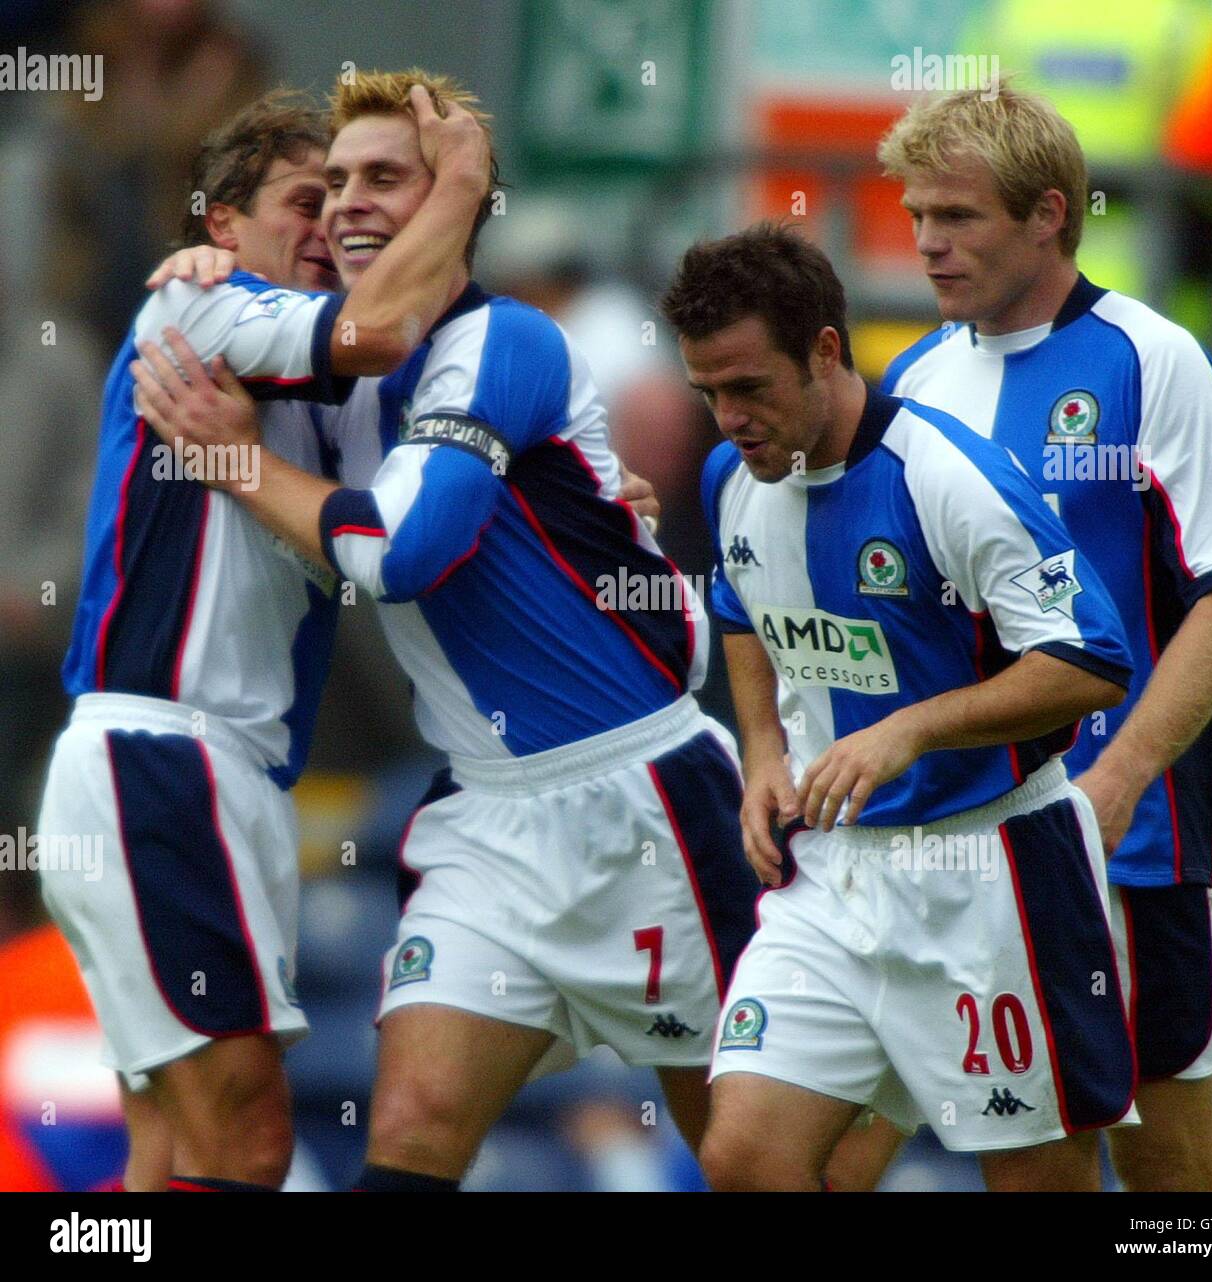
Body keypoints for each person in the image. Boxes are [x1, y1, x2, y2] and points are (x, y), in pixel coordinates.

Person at [132, 68, 758, 1193]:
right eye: (333, 183)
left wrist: (234, 460)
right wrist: (207, 265)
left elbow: (399, 552)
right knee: (411, 1133)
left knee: (752, 1160)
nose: (348, 203)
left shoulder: (505, 340)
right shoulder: (336, 365)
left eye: (386, 177)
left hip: (643, 800)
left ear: (457, 200)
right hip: (485, 818)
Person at [37, 86, 492, 1192]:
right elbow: (381, 328)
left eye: (344, 195)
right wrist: (464, 182)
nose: (330, 218)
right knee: (246, 1143)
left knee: (171, 1147)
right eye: (305, 197)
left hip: (213, 775)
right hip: (164, 757)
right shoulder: (200, 308)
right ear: (222, 223)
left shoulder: (320, 392)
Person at [662, 222, 1137, 1192]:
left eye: (749, 387)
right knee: (745, 1158)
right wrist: (763, 751)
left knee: (1040, 1182)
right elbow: (738, 606)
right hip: (831, 877)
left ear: (824, 350)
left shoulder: (947, 477)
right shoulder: (731, 479)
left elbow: (1092, 662)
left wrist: (910, 729)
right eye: (707, 394)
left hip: (991, 872)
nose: (729, 419)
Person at [875, 86, 1212, 1191]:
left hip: (1123, 839)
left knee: (1167, 1168)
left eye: (957, 216)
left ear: (1049, 213)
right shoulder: (912, 380)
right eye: (917, 216)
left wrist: (1122, 780)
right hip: (956, 844)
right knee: (938, 1152)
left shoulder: (1151, 358)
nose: (927, 243)